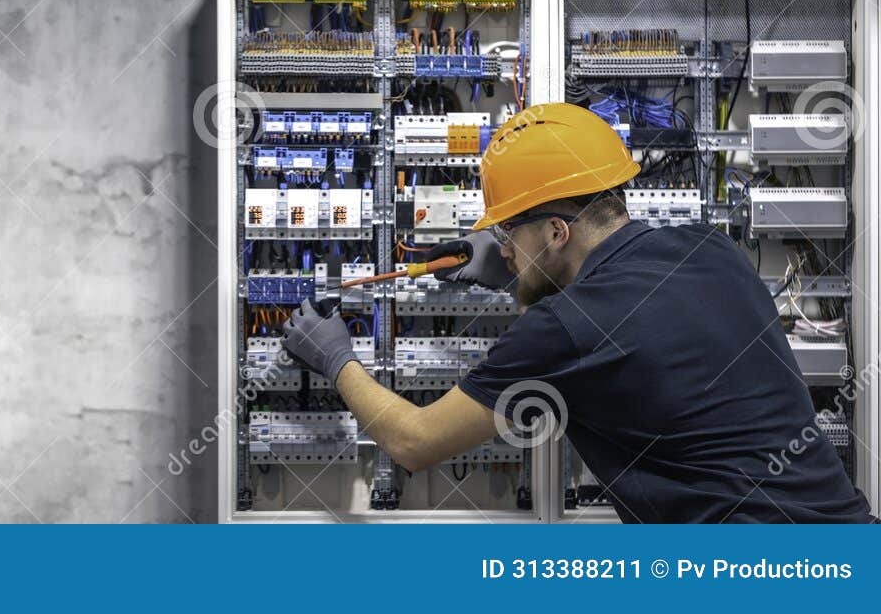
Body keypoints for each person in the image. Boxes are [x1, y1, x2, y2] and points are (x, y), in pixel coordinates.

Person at [281, 102, 874, 523]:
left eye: (509, 233)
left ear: (557, 230)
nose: (502, 247)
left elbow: (413, 442)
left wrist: (335, 358)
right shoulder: (711, 248)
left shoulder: (561, 329)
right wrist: (520, 273)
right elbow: (631, 327)